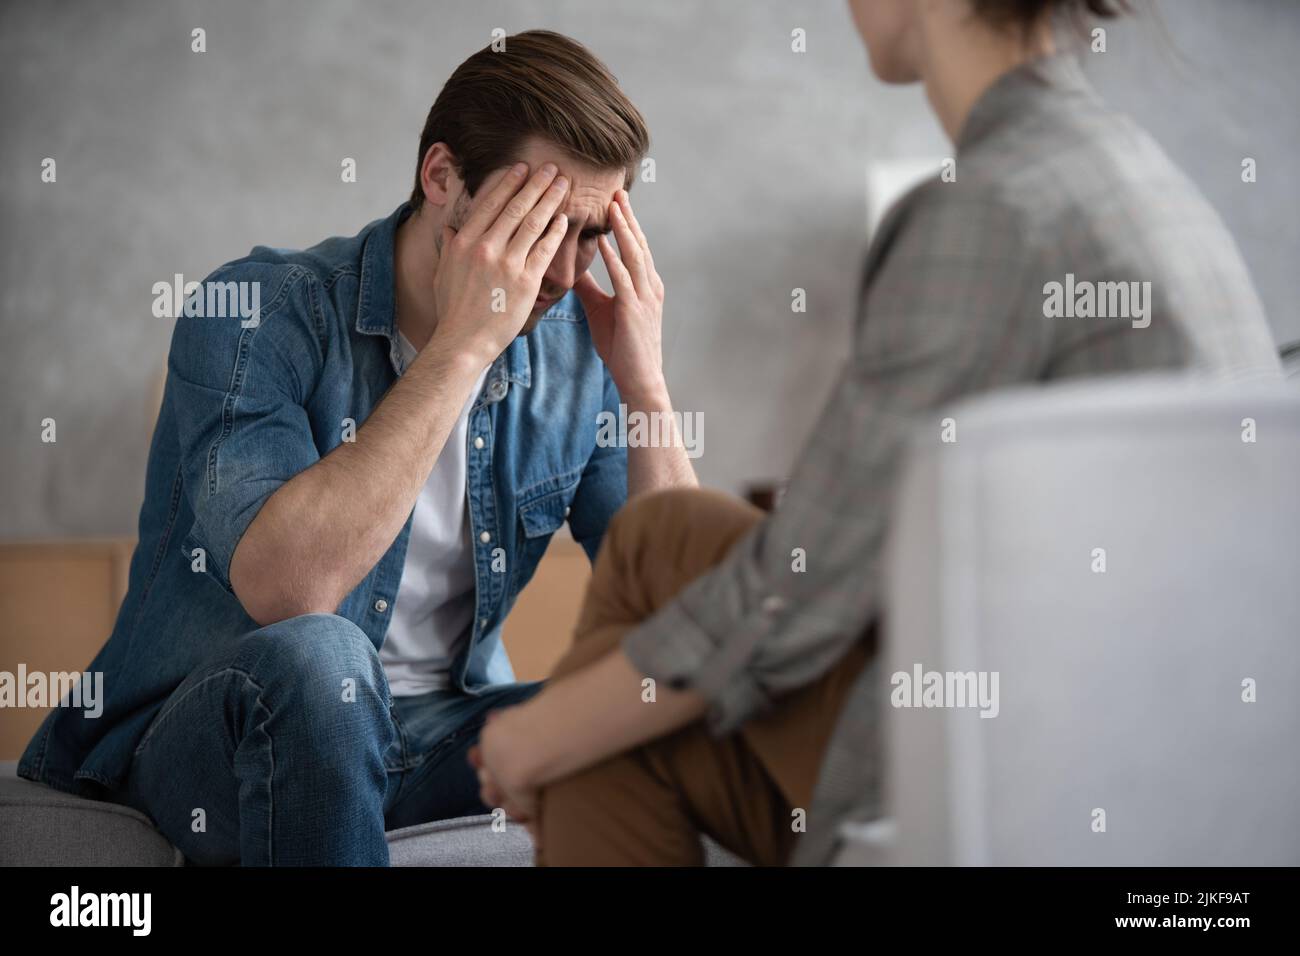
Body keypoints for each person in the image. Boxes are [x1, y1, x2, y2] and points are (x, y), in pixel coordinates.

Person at [470, 0, 1282, 866]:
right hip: (1168, 739)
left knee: (601, 733)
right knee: (659, 546)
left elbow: (811, 583)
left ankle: (559, 745)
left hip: (1031, 753)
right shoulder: (1137, 176)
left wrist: (541, 733)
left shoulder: (992, 210)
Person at [18, 30, 695, 866]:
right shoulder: (254, 311)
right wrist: (462, 347)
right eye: (539, 221)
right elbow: (292, 588)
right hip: (216, 728)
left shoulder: (575, 352)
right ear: (442, 177)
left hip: (440, 733)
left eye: (590, 232)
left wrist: (646, 386)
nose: (560, 270)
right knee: (324, 658)